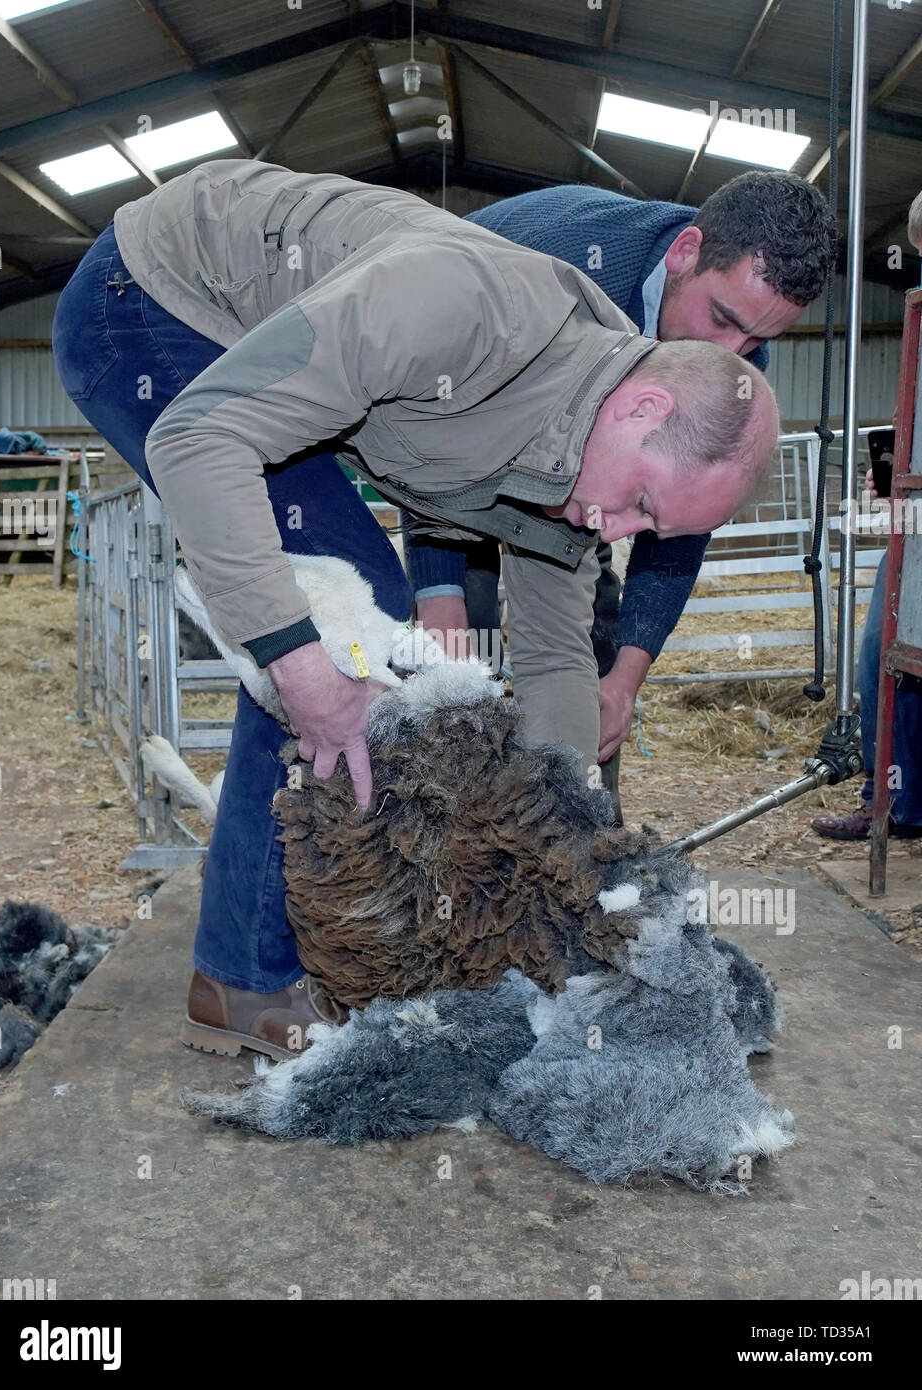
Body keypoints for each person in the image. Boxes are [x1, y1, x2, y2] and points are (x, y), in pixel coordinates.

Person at [53, 159, 779, 1059]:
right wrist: (300, 660)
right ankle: (236, 979)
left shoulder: (581, 463)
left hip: (238, 341)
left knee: (357, 616)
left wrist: (558, 857)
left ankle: (278, 938)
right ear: (643, 406)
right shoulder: (458, 308)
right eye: (639, 503)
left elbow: (555, 659)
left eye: (645, 526)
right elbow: (201, 438)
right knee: (349, 609)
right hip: (149, 299)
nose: (618, 529)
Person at [406, 173, 836, 815]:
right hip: (458, 426)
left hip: (579, 484)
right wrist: (437, 601)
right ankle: (451, 839)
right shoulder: (562, 277)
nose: (730, 351)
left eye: (756, 342)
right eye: (721, 319)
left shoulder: (734, 366)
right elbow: (433, 421)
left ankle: (579, 846)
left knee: (587, 652)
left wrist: (624, 680)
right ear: (685, 252)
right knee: (454, 651)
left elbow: (683, 524)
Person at [813, 191, 922, 841]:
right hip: (916, 520)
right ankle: (896, 800)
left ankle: (896, 801)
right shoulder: (918, 313)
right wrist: (893, 462)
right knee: (888, 657)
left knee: (889, 655)